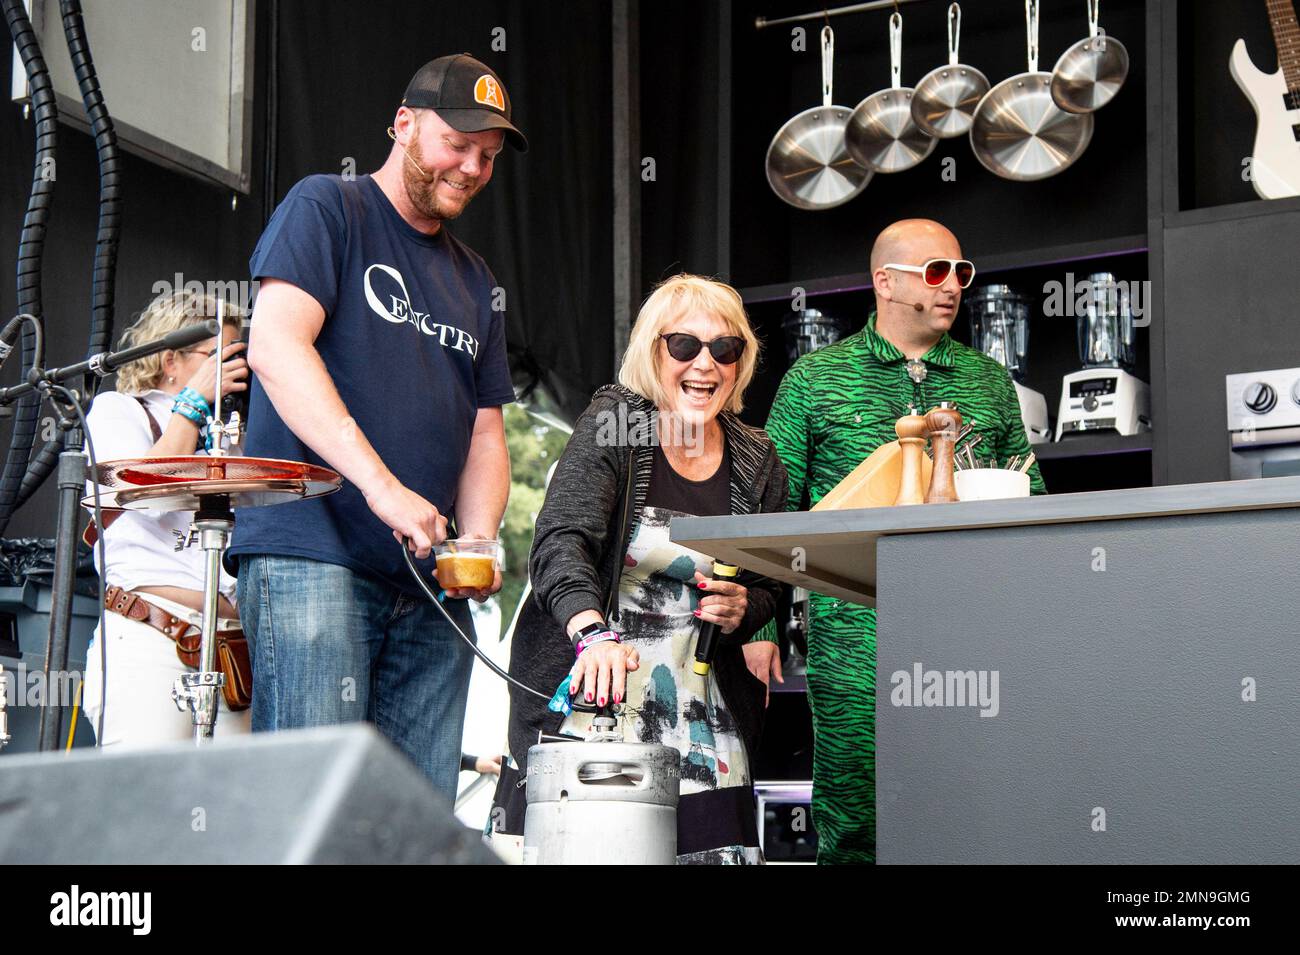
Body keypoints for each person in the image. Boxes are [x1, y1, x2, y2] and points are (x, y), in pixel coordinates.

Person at [228, 54, 525, 800]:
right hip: (312, 559)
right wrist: (383, 488)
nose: (472, 166)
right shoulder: (328, 207)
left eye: (487, 156)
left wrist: (480, 539)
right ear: (402, 124)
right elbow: (274, 345)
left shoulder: (477, 279)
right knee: (313, 813)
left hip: (430, 589)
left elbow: (486, 433)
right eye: (457, 143)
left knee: (410, 826)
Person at [765, 219, 1047, 864]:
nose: (954, 288)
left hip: (974, 626)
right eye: (936, 272)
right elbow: (771, 509)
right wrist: (760, 631)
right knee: (856, 813)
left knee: (974, 803)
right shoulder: (814, 379)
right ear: (883, 282)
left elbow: (1031, 495)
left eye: (962, 273)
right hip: (851, 628)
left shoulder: (987, 380)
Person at [491, 275, 788, 864]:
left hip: (706, 703)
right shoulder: (617, 422)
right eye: (685, 346)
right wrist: (591, 632)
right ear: (655, 352)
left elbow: (770, 579)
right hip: (597, 691)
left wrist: (743, 609)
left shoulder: (756, 456)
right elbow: (559, 541)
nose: (705, 365)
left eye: (725, 349)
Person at [81, 290, 250, 746]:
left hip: (229, 647)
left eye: (235, 357)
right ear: (170, 360)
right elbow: (145, 492)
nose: (230, 369)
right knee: (146, 801)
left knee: (230, 809)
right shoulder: (119, 410)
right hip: (151, 634)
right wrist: (193, 404)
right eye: (216, 356)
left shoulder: (230, 434)